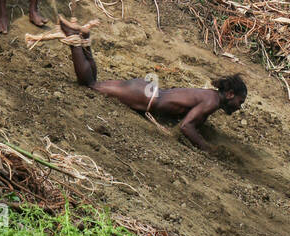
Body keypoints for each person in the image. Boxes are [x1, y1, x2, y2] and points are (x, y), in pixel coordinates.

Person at [61, 18, 247, 153]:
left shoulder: (209, 95)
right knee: (90, 85)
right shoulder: (212, 101)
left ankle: (85, 39)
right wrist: (207, 148)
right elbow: (186, 126)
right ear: (230, 94)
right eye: (240, 101)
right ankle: (75, 41)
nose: (239, 107)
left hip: (145, 90)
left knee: (96, 83)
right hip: (144, 96)